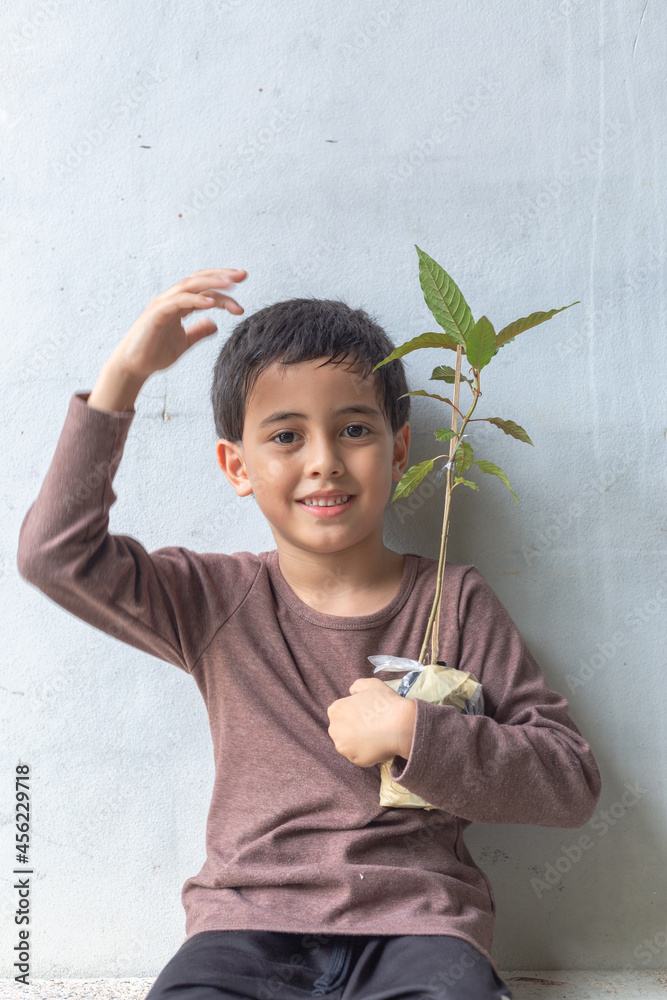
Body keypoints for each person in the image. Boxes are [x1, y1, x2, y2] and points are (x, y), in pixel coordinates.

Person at [17, 268, 602, 1000]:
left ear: (397, 453)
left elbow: (570, 782)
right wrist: (124, 376)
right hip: (242, 928)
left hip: (417, 927)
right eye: (286, 435)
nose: (323, 459)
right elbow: (55, 555)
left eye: (354, 429)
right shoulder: (212, 598)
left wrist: (414, 733)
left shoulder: (454, 598)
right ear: (237, 465)